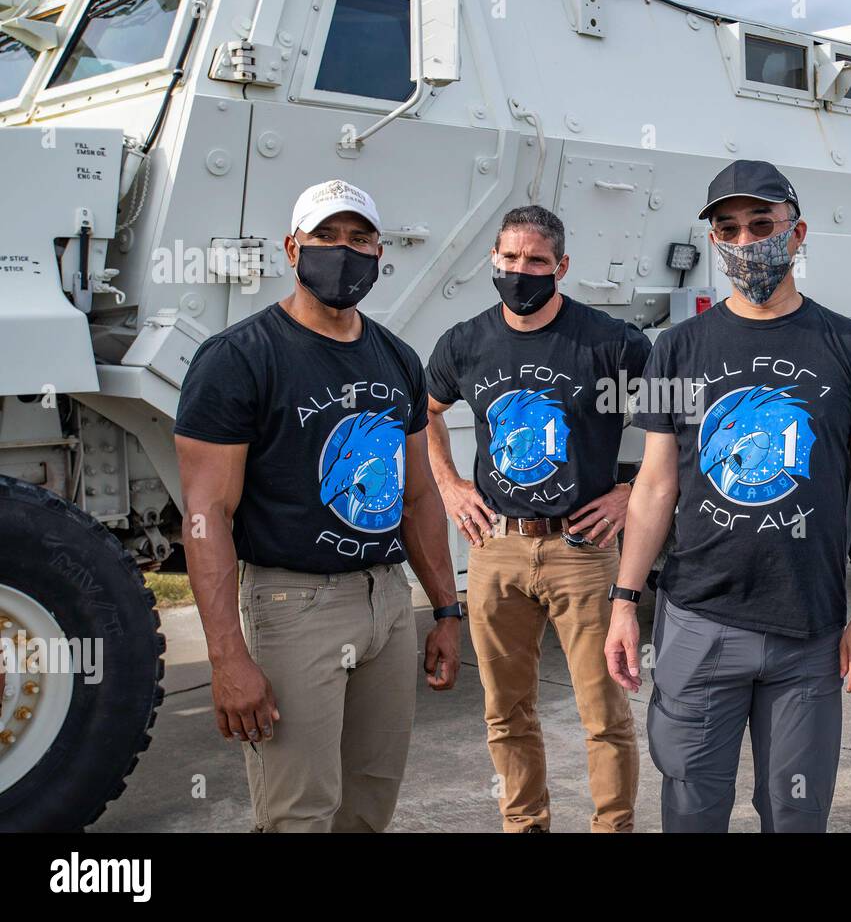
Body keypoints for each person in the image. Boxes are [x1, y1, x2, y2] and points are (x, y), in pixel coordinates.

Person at [605, 160, 851, 832]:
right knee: (691, 809)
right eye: (729, 228)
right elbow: (654, 486)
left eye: (761, 225)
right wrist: (624, 602)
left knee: (796, 813)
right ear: (713, 241)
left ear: (798, 233)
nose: (746, 242)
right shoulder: (675, 349)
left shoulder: (849, 345)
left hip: (809, 632)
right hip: (701, 623)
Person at [175, 179, 462, 832]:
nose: (343, 251)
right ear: (291, 247)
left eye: (358, 238)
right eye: (325, 237)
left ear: (379, 252)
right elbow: (206, 516)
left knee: (368, 804)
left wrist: (445, 609)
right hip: (292, 605)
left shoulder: (396, 358)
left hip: (386, 602)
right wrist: (227, 657)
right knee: (298, 813)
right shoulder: (238, 359)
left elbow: (418, 496)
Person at [424, 205, 649, 833]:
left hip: (582, 549)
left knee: (602, 713)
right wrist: (449, 485)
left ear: (562, 267)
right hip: (496, 548)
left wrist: (630, 493)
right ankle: (524, 825)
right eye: (510, 259)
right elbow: (425, 412)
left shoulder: (610, 342)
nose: (521, 272)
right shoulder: (464, 343)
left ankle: (613, 827)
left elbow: (684, 418)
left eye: (536, 261)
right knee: (506, 711)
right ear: (493, 261)